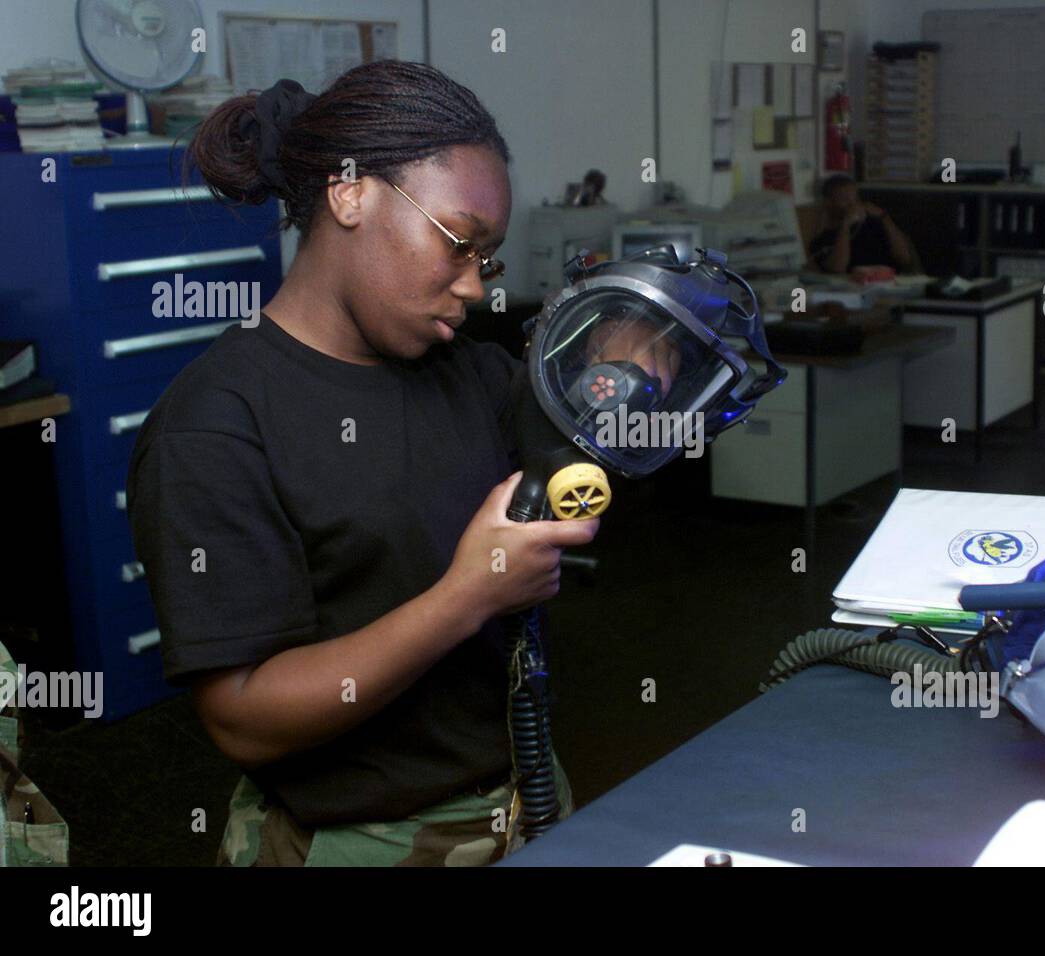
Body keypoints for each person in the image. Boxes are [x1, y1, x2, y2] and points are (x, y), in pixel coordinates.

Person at [127, 61, 657, 867]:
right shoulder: (216, 425)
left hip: (528, 804)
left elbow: (573, 460)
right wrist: (466, 596)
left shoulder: (473, 376)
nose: (475, 286)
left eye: (490, 259)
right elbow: (241, 716)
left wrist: (631, 368)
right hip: (359, 841)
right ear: (349, 194)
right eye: (457, 243)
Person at [809, 174, 919, 276]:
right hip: (853, 287)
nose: (852, 204)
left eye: (855, 198)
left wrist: (884, 218)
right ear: (829, 203)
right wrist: (846, 226)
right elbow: (837, 268)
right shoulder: (824, 239)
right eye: (844, 199)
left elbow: (905, 258)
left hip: (889, 282)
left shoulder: (876, 224)